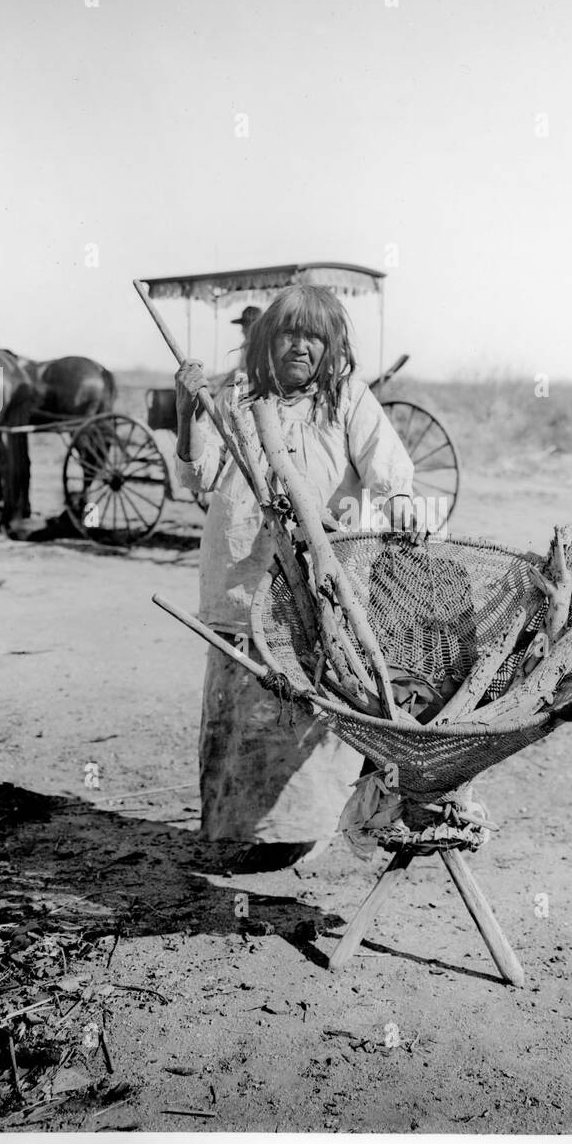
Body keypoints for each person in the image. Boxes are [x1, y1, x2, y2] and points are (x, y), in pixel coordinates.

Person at [175, 284, 415, 871]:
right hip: (242, 571)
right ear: (266, 341)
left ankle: (302, 830)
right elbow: (197, 477)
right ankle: (248, 829)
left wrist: (402, 502)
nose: (300, 346)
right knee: (249, 701)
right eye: (288, 333)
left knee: (308, 701)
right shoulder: (237, 394)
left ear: (330, 344)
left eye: (313, 335)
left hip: (315, 576)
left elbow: (389, 466)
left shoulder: (346, 399)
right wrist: (187, 411)